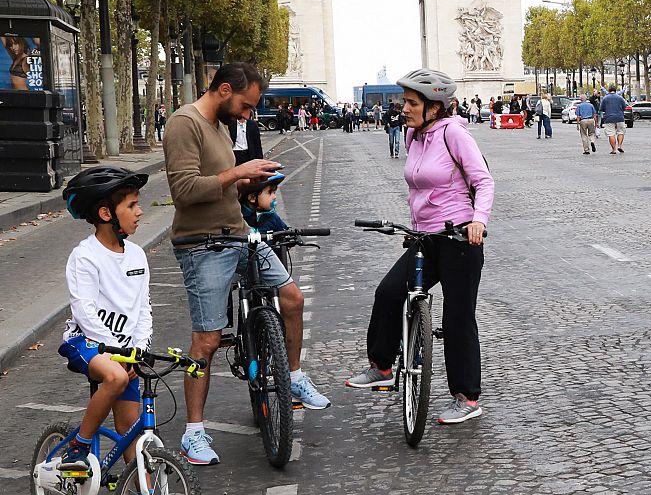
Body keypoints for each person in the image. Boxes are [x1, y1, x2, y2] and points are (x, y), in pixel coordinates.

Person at [163, 62, 328, 466]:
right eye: (246, 105)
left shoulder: (220, 126)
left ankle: (292, 377)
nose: (248, 114)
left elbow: (222, 185)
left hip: (239, 234)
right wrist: (238, 171)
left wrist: (250, 184)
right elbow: (184, 191)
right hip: (203, 243)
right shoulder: (184, 124)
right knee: (207, 341)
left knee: (292, 298)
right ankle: (193, 433)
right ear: (224, 90)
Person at [345, 69, 493, 425]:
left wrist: (479, 221)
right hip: (426, 238)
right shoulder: (414, 136)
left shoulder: (454, 133)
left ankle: (466, 397)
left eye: (412, 103)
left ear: (434, 107)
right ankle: (382, 367)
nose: (404, 108)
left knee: (457, 318)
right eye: (405, 102)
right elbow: (421, 190)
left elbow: (483, 181)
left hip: (459, 238)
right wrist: (414, 229)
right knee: (388, 293)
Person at [56, 167, 153, 467]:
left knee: (131, 433)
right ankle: (79, 443)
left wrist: (138, 351)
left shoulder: (137, 255)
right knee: (115, 377)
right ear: (106, 213)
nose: (139, 211)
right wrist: (118, 354)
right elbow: (84, 312)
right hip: (87, 342)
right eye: (131, 205)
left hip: (125, 354)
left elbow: (143, 309)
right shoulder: (85, 256)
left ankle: (146, 494)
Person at [599, 85, 627, 154]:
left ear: (609, 91)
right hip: (620, 117)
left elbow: (601, 109)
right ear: (615, 90)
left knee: (611, 134)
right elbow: (624, 107)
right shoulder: (620, 98)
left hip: (609, 118)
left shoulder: (605, 98)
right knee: (621, 132)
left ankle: (614, 149)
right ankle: (619, 146)